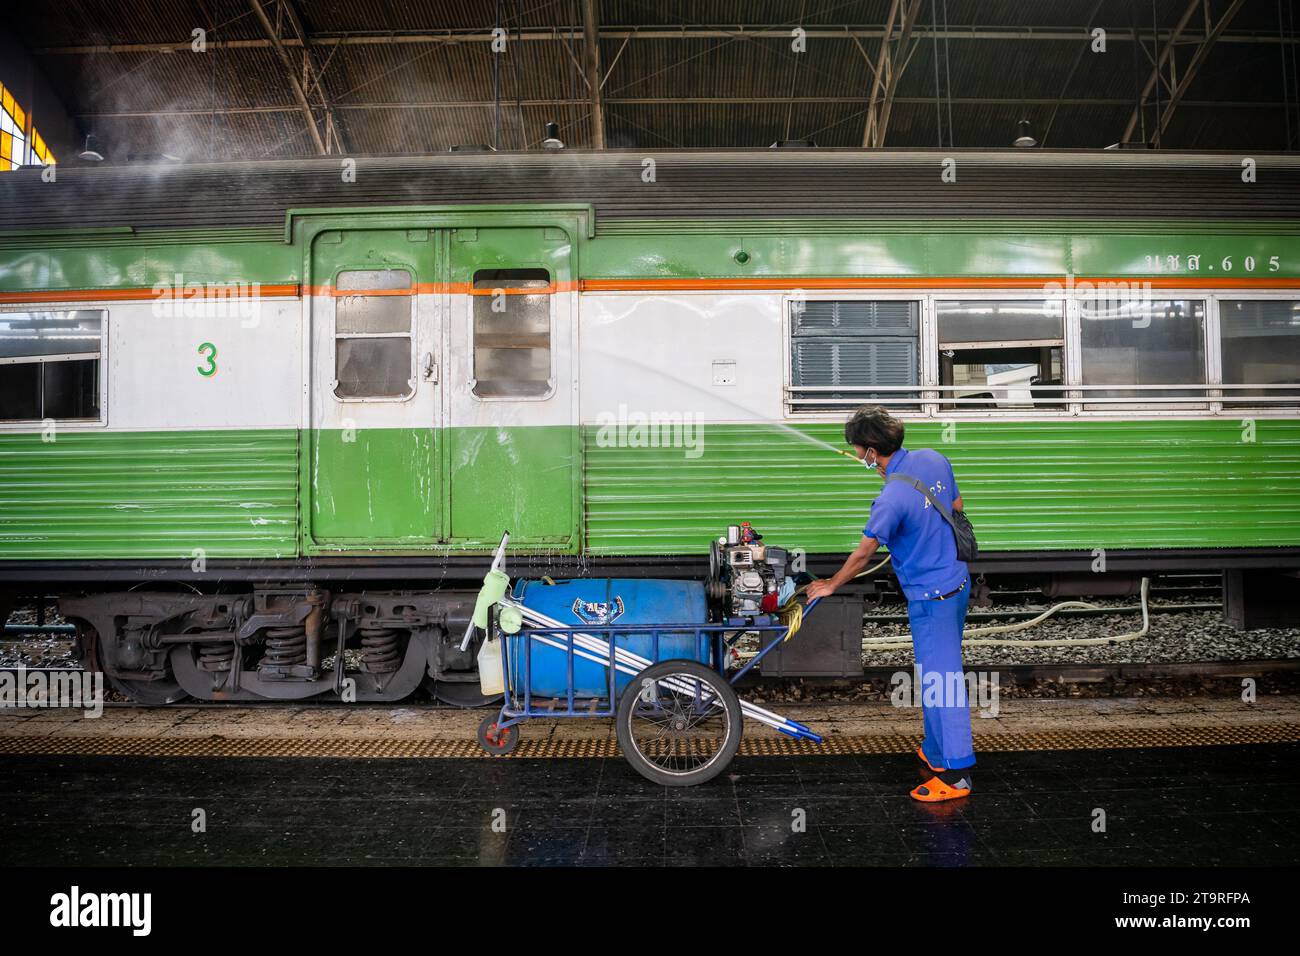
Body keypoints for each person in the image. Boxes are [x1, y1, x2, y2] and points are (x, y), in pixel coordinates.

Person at [806, 405, 975, 802]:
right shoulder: (933, 458)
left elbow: (865, 552)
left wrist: (831, 584)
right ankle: (936, 753)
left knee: (943, 681)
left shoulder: (891, 498)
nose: (857, 456)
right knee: (935, 674)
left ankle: (957, 776)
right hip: (958, 581)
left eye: (858, 449)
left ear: (870, 450)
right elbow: (957, 506)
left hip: (932, 597)